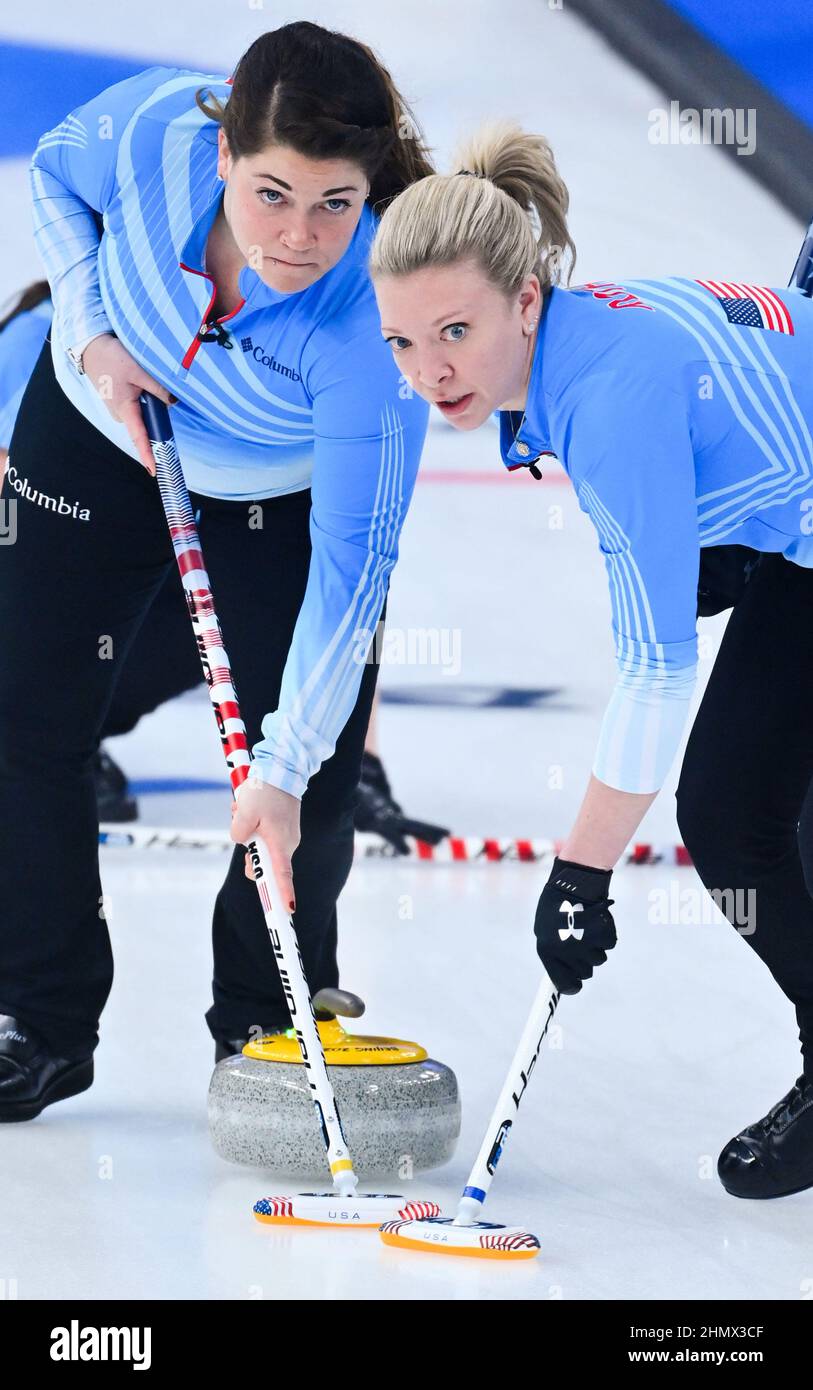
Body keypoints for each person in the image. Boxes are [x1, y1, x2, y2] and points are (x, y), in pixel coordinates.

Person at [369, 122, 813, 1200]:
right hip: (793, 532)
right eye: (403, 343)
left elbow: (657, 673)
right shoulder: (573, 346)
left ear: (526, 302)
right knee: (748, 806)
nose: (432, 373)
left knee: (737, 813)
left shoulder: (607, 402)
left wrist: (580, 876)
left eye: (457, 332)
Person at [0, 21, 434, 1122]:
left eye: (336, 202)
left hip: (275, 492)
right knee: (22, 709)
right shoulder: (156, 128)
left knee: (314, 754)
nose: (300, 236)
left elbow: (350, 578)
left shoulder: (374, 326)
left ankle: (263, 1020)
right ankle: (40, 1017)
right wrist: (95, 334)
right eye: (274, 193)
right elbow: (55, 174)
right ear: (224, 146)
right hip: (99, 422)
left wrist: (280, 772)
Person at [0, 282, 447, 841]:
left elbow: (342, 585)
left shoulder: (244, 329)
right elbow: (22, 526)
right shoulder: (41, 330)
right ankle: (50, 738)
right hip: (67, 598)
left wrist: (351, 770)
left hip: (164, 581)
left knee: (297, 581)